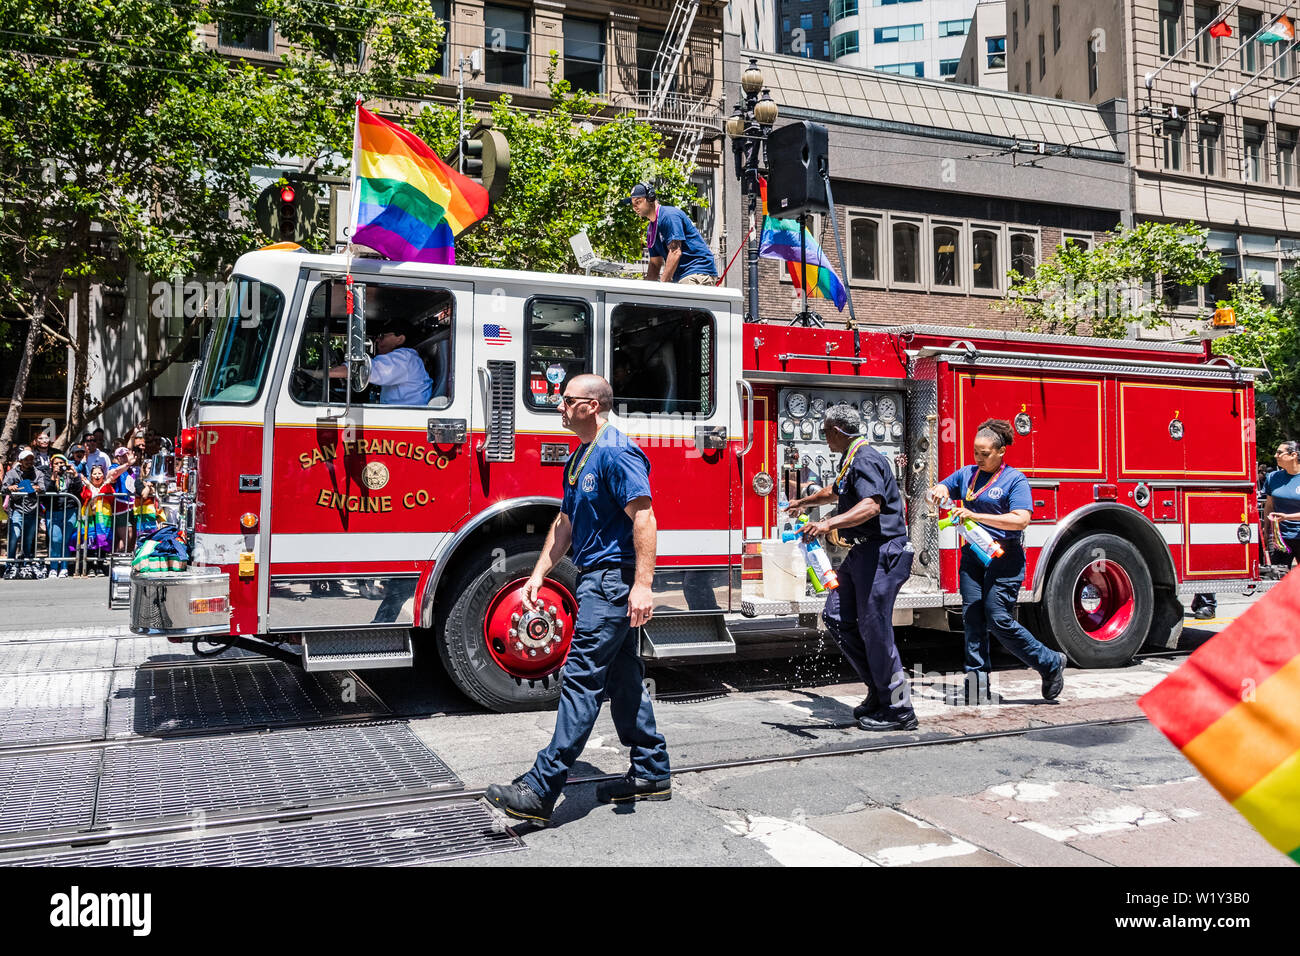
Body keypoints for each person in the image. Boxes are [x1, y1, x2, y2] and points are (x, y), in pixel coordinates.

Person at [485, 374, 670, 826]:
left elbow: (644, 518)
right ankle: (650, 771)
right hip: (596, 581)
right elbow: (565, 523)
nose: (558, 406)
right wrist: (537, 575)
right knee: (625, 678)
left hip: (611, 582)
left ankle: (541, 788)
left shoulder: (616, 451)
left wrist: (642, 585)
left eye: (565, 400)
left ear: (591, 405)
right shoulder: (579, 457)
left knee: (582, 679)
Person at [787, 403, 917, 731]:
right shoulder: (851, 459)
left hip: (884, 553)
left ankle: (900, 710)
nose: (823, 436)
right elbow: (838, 491)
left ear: (837, 431)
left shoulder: (866, 458)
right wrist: (804, 502)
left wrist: (827, 523)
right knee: (835, 615)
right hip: (862, 553)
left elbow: (871, 505)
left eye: (825, 431)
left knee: (877, 631)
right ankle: (879, 691)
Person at [928, 418, 1066, 705]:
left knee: (998, 618)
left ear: (1001, 452)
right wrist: (940, 489)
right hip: (974, 556)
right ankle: (976, 685)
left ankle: (1049, 662)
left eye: (985, 453)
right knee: (972, 618)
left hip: (1005, 557)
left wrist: (976, 515)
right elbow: (945, 485)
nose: (978, 458)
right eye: (976, 452)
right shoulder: (968, 475)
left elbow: (1021, 520)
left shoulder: (1014, 480)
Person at [315, 322, 433, 405]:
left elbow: (365, 370)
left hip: (405, 422)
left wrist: (320, 374)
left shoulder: (404, 358)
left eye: (382, 336)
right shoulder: (405, 358)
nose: (377, 340)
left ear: (400, 339)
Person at [627, 183, 718, 285]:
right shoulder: (651, 230)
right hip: (682, 276)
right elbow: (655, 264)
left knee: (677, 297)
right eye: (632, 204)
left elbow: (675, 252)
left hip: (697, 271)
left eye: (638, 202)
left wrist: (662, 286)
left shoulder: (669, 215)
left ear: (650, 198)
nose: (634, 207)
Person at [3, 448, 48, 580]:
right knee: (14, 537)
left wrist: (36, 488)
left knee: (28, 540)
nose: (29, 462)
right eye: (26, 460)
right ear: (20, 461)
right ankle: (10, 564)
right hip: (17, 510)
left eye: (31, 459)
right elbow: (4, 488)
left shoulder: (38, 472)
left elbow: (42, 488)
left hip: (32, 510)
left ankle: (26, 564)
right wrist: (9, 488)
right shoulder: (12, 473)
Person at [1264, 440, 1300, 568]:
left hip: (1298, 534)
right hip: (1280, 538)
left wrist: (1287, 517)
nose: (1275, 455)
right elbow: (1269, 505)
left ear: (1293, 455)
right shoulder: (1272, 477)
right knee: (1278, 579)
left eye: (1279, 452)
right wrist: (1266, 530)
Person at [46, 453, 83, 578]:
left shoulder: (70, 475)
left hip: (70, 510)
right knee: (56, 539)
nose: (59, 465)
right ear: (52, 465)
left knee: (66, 541)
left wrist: (75, 474)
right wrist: (53, 477)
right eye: (56, 463)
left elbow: (79, 490)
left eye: (61, 463)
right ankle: (53, 567)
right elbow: (47, 491)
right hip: (54, 510)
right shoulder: (48, 475)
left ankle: (64, 567)